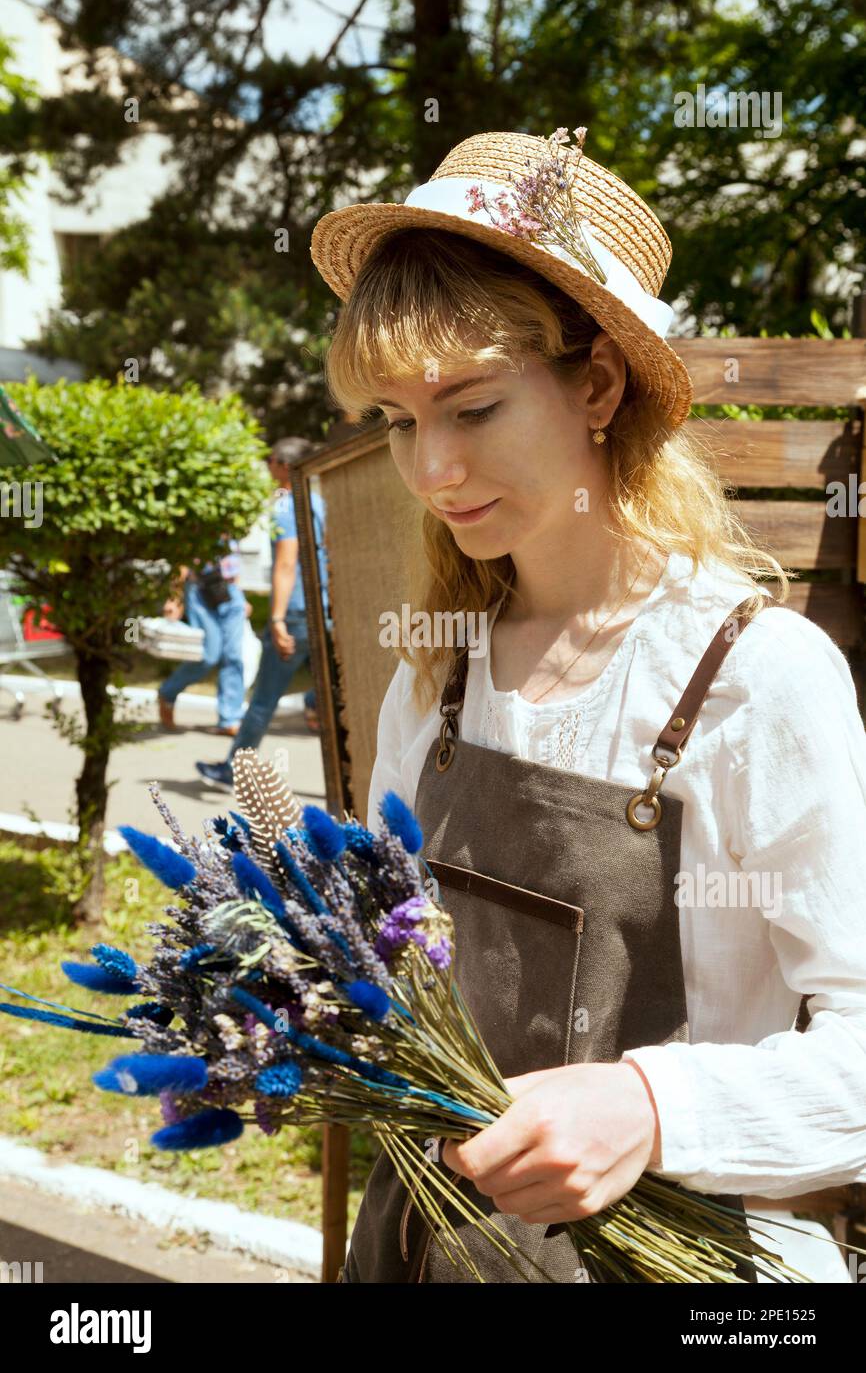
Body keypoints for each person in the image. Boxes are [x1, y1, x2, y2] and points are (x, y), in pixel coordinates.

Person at [309, 126, 866, 1284]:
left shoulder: (758, 679)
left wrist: (649, 1107)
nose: (429, 473)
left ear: (596, 384)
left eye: (469, 407)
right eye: (400, 421)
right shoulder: (441, 673)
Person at [195, 437, 329, 790]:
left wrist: (277, 619)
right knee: (332, 695)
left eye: (271, 460)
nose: (267, 466)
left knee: (263, 700)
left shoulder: (287, 508)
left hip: (297, 612)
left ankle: (233, 772)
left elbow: (286, 564)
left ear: (284, 466)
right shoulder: (318, 502)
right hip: (326, 610)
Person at [158, 542, 247, 736]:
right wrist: (174, 597)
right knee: (208, 656)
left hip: (230, 589)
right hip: (200, 589)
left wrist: (239, 594)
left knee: (233, 656)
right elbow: (183, 555)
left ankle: (229, 719)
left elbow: (232, 556)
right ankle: (167, 693)